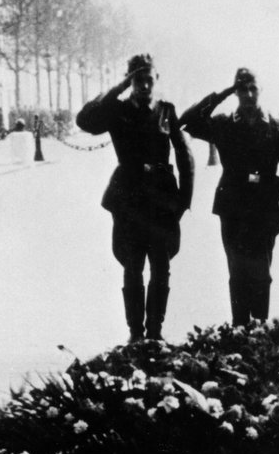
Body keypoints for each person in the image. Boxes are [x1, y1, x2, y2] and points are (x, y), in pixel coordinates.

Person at [76, 53, 194, 342]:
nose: (144, 86)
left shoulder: (166, 110)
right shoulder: (117, 110)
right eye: (137, 80)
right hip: (128, 196)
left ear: (156, 80)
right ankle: (135, 333)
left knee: (162, 267)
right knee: (132, 266)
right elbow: (85, 121)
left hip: (162, 199)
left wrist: (183, 199)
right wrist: (117, 89)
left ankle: (155, 331)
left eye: (148, 80)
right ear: (130, 81)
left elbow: (184, 153)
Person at [180, 67, 279, 326]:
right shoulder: (223, 124)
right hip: (232, 207)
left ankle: (259, 326)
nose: (248, 94)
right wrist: (221, 94)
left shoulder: (276, 127)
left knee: (261, 272)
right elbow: (187, 121)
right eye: (242, 89)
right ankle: (239, 326)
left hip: (265, 209)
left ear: (261, 90)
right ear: (236, 92)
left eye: (253, 88)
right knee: (237, 270)